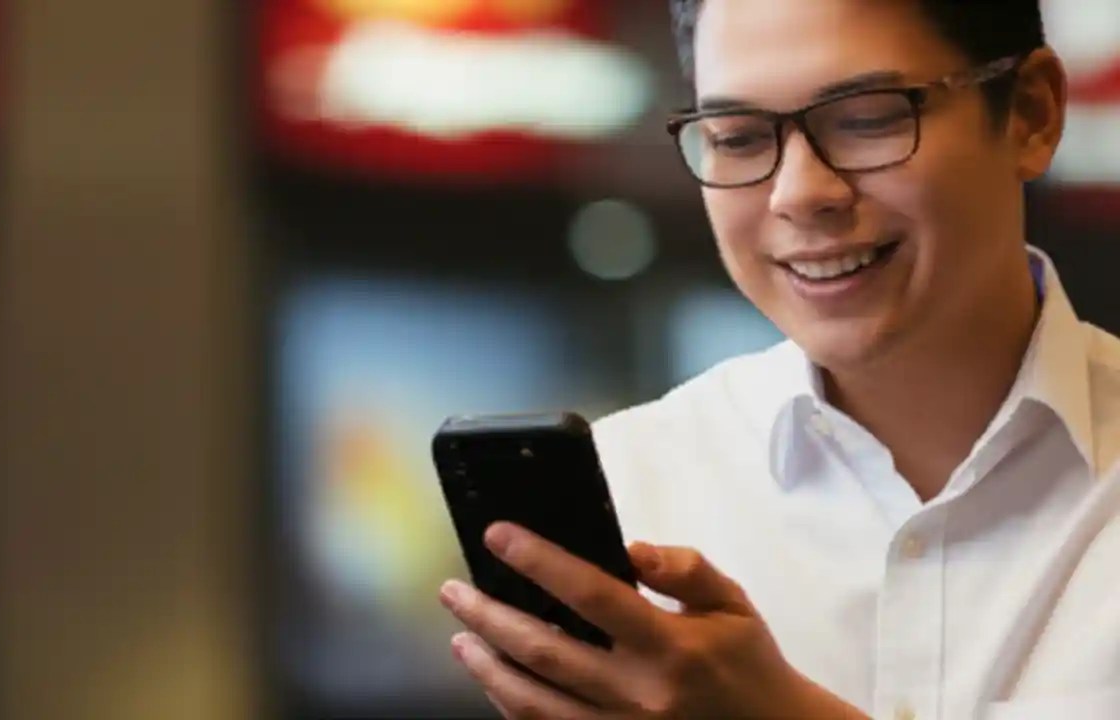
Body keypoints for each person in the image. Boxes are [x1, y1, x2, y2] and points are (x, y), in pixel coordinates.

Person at [438, 0, 1120, 717]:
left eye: (867, 119)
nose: (800, 194)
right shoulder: (631, 493)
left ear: (1031, 113)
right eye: (737, 138)